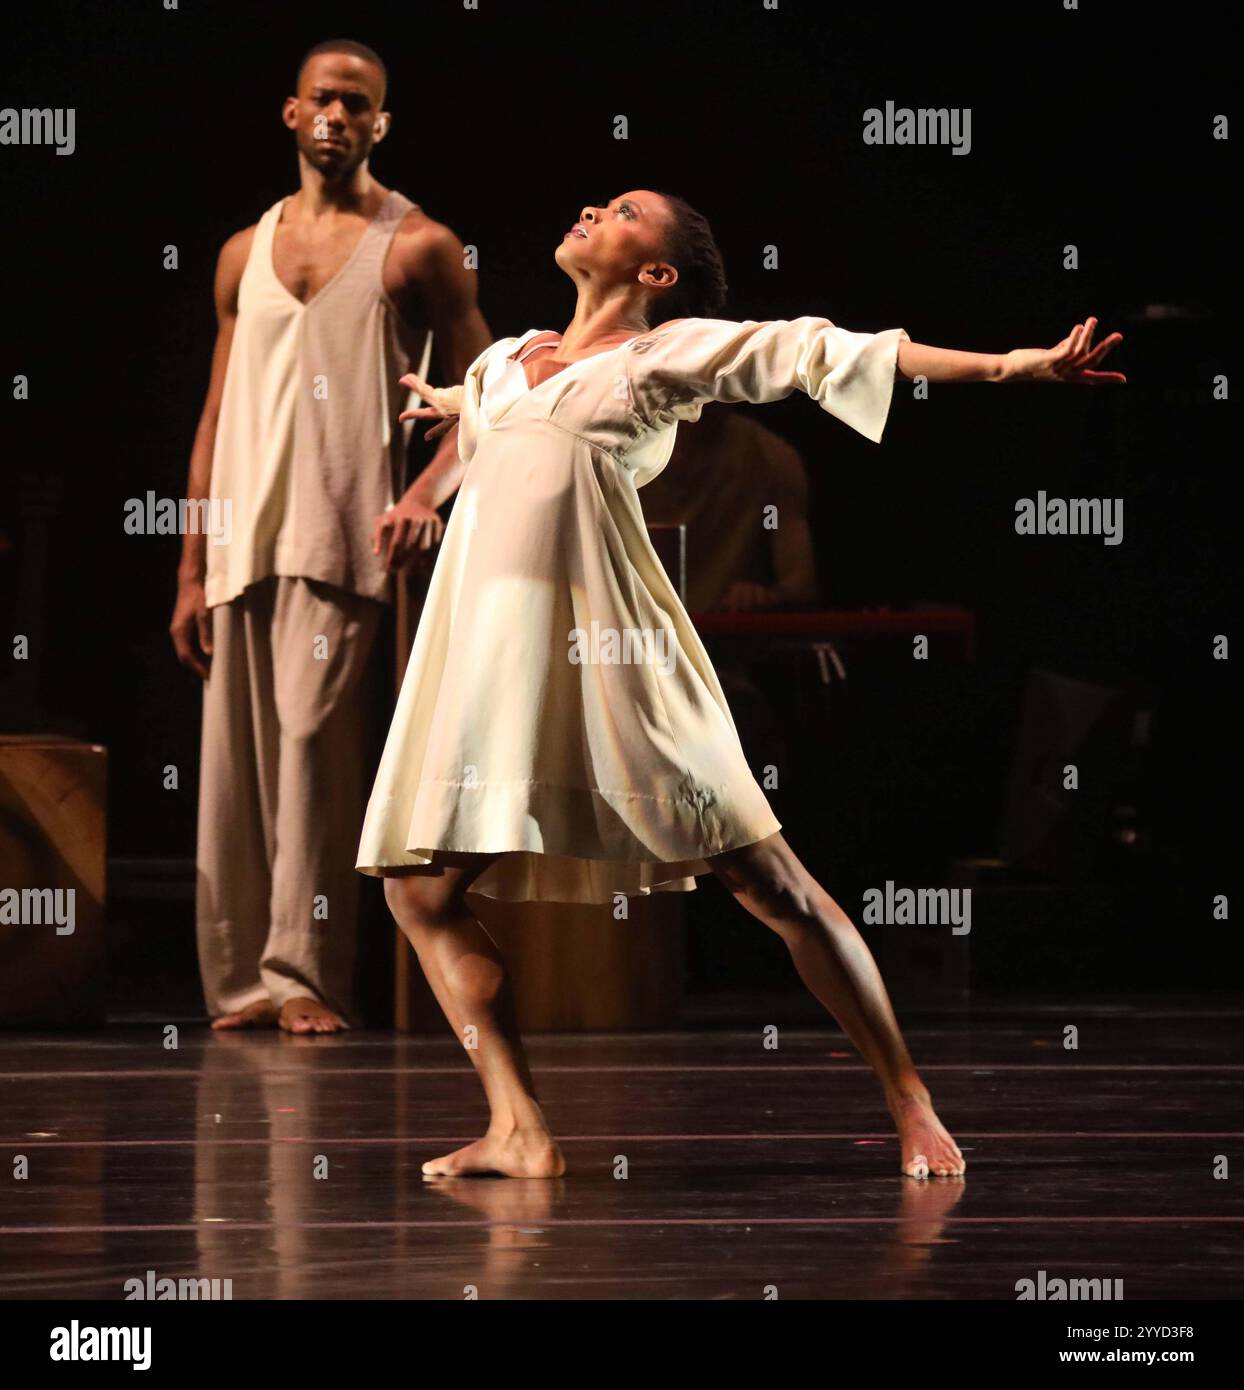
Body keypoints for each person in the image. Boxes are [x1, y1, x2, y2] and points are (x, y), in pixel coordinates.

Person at [355, 189, 1125, 1177]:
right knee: (417, 893)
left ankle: (907, 1096)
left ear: (656, 275)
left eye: (623, 210)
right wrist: (445, 424)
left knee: (771, 885)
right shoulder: (504, 358)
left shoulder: (661, 357)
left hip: (614, 662)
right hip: (488, 665)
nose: (592, 205)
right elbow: (481, 422)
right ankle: (519, 1125)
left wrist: (1018, 364)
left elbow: (823, 352)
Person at [170, 39, 491, 1035]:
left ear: (379, 123)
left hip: (345, 534)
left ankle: (304, 972)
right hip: (242, 539)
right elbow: (216, 412)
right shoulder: (240, 251)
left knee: (313, 758)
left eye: (357, 104)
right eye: (323, 99)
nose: (337, 116)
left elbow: (491, 398)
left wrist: (426, 493)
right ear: (290, 111)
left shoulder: (417, 244)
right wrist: (189, 565)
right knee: (234, 773)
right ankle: (240, 982)